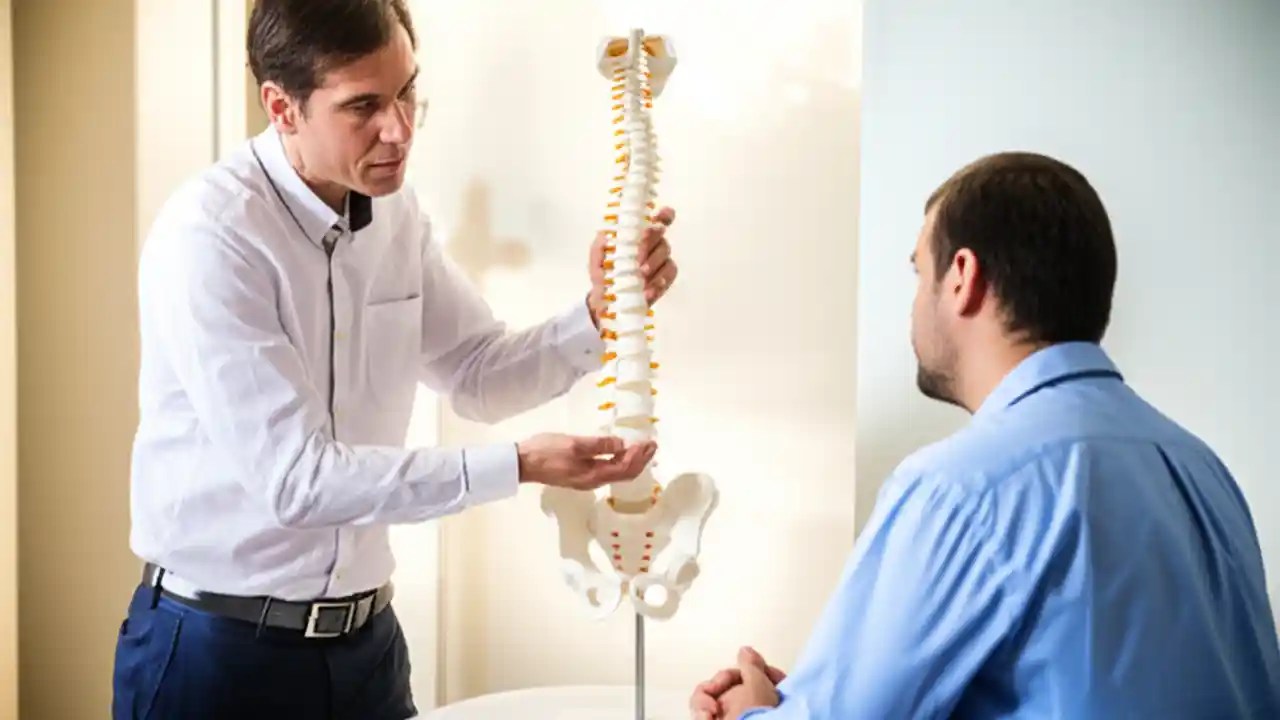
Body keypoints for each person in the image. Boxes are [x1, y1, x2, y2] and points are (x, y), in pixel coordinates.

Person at [111, 1, 680, 718]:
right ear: (281, 107)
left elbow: (477, 372)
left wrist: (602, 311)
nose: (400, 129)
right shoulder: (212, 237)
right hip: (217, 654)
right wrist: (518, 465)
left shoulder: (395, 214)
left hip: (367, 649)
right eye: (364, 107)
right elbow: (298, 480)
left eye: (408, 92)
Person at [690, 152, 1280, 719]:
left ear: (962, 277)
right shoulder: (1203, 472)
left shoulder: (960, 489)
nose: (914, 305)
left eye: (920, 272)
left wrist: (752, 711)